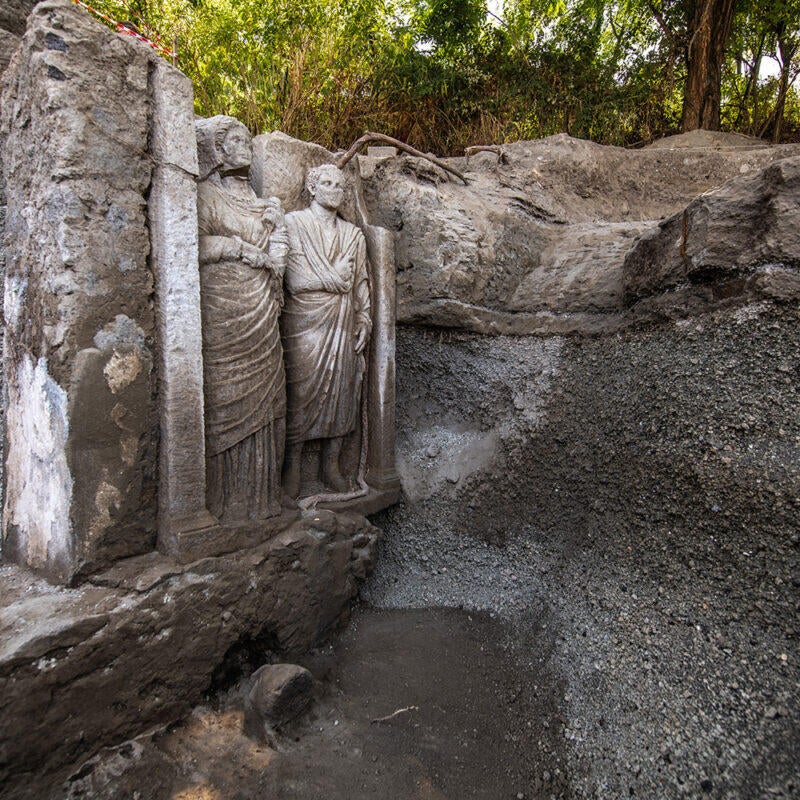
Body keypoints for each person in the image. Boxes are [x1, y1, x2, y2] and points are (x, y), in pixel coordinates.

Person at [195, 115, 288, 521]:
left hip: (263, 307)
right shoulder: (204, 196)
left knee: (268, 397)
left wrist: (277, 231)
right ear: (217, 149)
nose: (245, 145)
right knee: (227, 397)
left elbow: (281, 255)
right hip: (224, 307)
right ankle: (225, 502)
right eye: (235, 139)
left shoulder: (264, 203)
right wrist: (237, 247)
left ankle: (263, 498)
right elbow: (194, 244)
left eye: (248, 139)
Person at [281, 164, 371, 497]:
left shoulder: (353, 235)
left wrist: (365, 318)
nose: (335, 189)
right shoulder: (294, 223)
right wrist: (334, 279)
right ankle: (292, 464)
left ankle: (330, 465)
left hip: (343, 322)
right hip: (304, 323)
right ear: (312, 188)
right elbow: (296, 280)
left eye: (340, 185)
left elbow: (360, 281)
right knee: (300, 392)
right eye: (327, 183)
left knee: (343, 391)